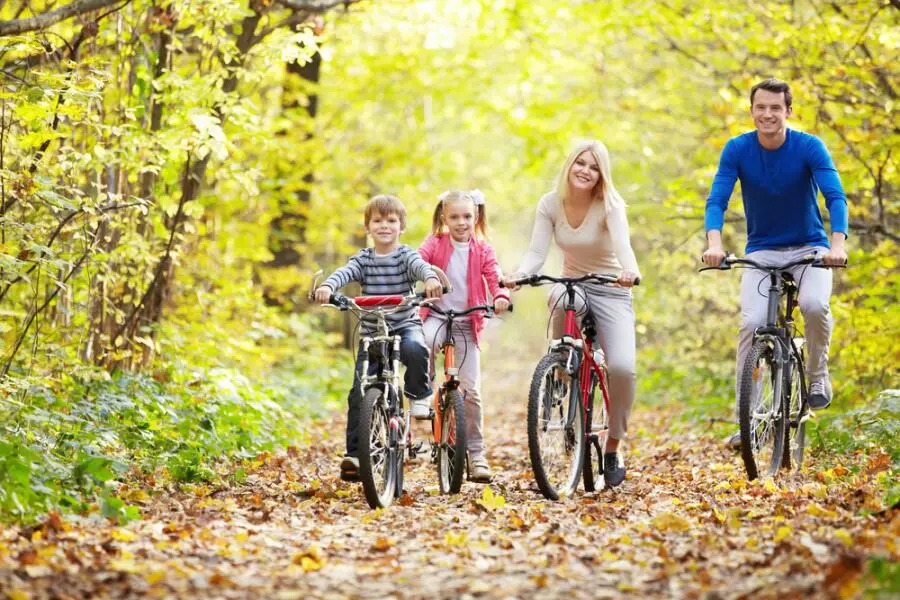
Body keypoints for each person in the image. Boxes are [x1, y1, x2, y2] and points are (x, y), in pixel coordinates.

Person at [701, 78, 849, 447]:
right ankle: (747, 419)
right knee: (751, 324)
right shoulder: (737, 149)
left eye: (775, 108)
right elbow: (717, 199)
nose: (767, 114)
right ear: (752, 111)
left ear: (788, 111)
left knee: (814, 305)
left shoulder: (809, 147)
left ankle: (816, 374)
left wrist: (837, 246)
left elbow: (835, 197)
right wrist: (714, 244)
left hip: (810, 249)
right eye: (760, 107)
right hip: (762, 250)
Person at [503, 140, 641, 488]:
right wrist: (521, 274)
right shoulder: (550, 204)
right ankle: (560, 371)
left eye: (594, 167)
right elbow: (537, 252)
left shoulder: (610, 205)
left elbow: (624, 247)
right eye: (580, 163)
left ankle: (613, 444)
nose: (585, 171)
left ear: (601, 175)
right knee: (561, 297)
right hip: (573, 282)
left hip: (611, 287)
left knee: (622, 368)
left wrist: (630, 272)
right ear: (569, 165)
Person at [314, 194, 443, 481]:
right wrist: (327, 285)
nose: (385, 226)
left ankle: (419, 394)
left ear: (402, 226)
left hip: (403, 323)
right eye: (378, 221)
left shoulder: (406, 255)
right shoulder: (363, 259)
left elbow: (422, 268)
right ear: (368, 227)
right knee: (359, 391)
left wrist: (431, 278)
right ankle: (355, 456)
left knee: (415, 347)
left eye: (391, 221)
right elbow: (344, 273)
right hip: (372, 331)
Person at [418, 189, 511, 483]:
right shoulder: (434, 243)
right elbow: (417, 261)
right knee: (424, 344)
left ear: (476, 217)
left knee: (471, 390)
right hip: (435, 315)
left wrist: (500, 294)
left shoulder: (483, 250)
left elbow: (494, 275)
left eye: (467, 216)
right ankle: (423, 393)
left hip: (466, 322)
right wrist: (427, 276)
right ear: (444, 217)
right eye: (455, 216)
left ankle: (477, 453)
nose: (461, 222)